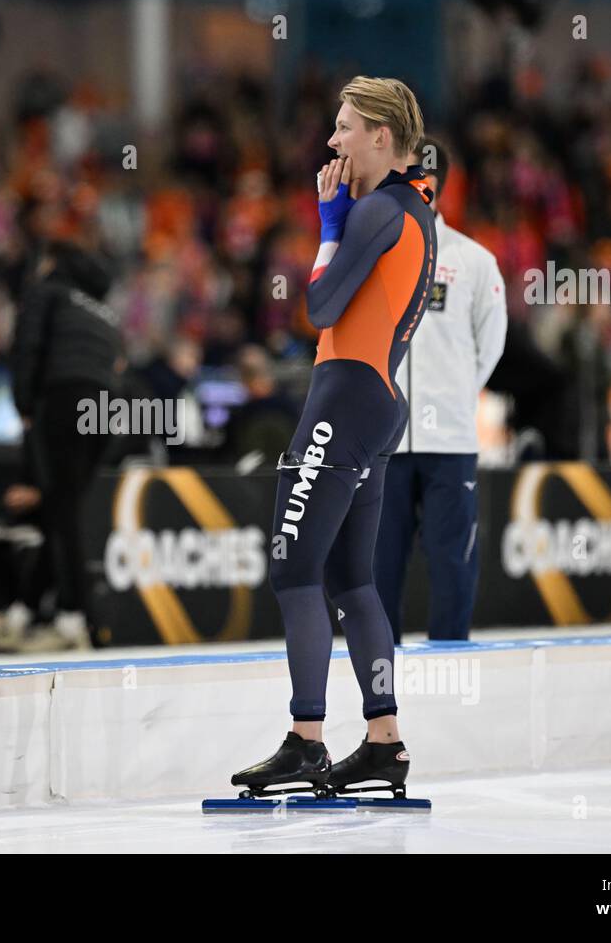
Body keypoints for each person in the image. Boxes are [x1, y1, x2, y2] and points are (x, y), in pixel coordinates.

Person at [230, 77, 436, 800]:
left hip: (344, 401)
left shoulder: (380, 209)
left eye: (345, 128)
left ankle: (305, 742)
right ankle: (385, 744)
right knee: (353, 582)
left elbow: (319, 305)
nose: (332, 140)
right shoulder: (410, 208)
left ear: (382, 136)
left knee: (294, 569)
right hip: (374, 401)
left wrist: (328, 224)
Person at [374, 138, 507, 642]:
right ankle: (378, 679)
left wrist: (454, 397)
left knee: (453, 560)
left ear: (438, 185)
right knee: (379, 566)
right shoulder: (375, 253)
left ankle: (451, 667)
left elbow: (490, 346)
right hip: (385, 441)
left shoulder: (474, 262)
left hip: (449, 443)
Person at [9, 238, 121, 650]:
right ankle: (23, 609)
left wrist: (23, 403)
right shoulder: (104, 313)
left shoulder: (48, 294)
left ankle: (74, 617)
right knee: (64, 509)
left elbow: (27, 347)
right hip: (106, 408)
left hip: (64, 400)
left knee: (64, 511)